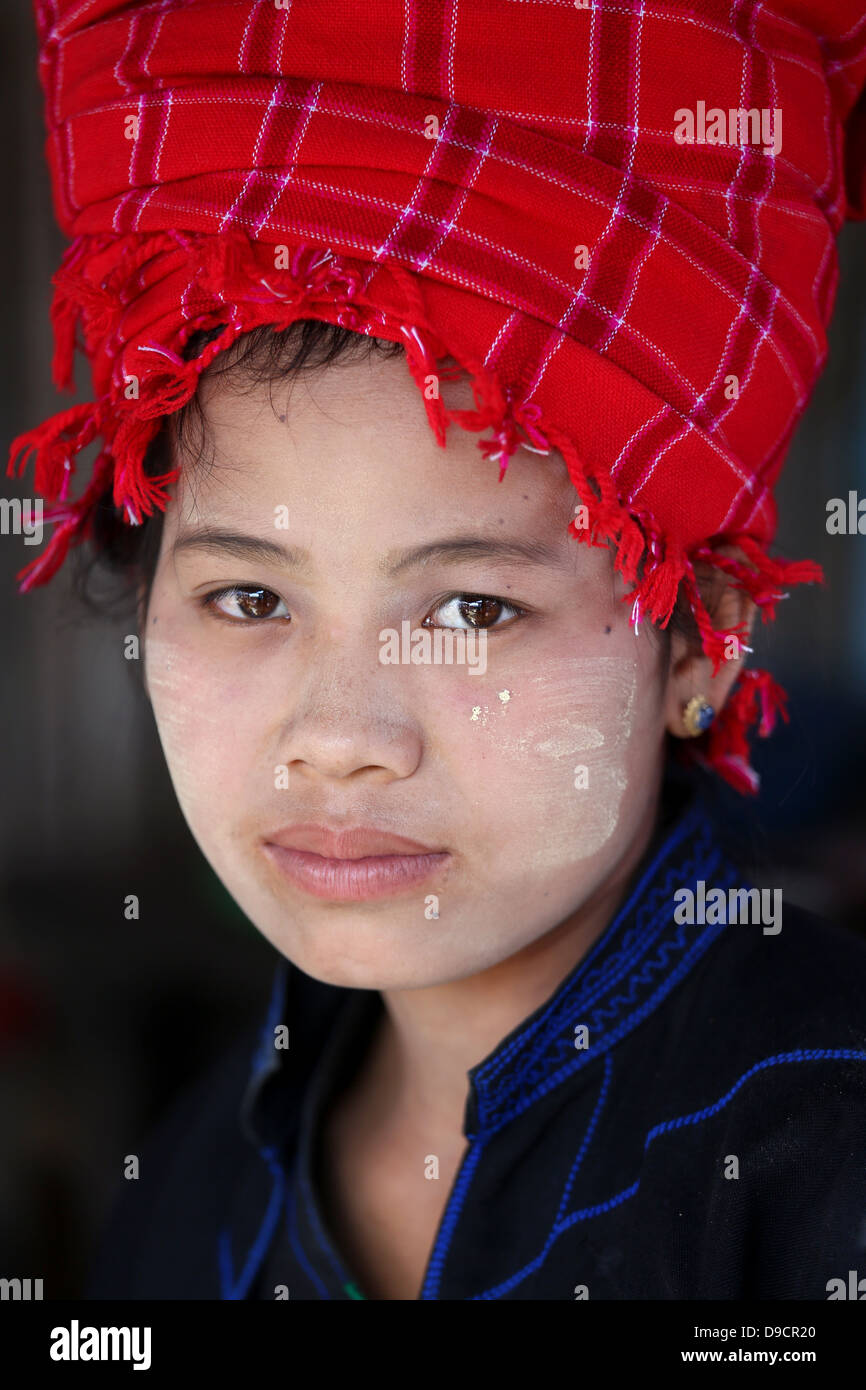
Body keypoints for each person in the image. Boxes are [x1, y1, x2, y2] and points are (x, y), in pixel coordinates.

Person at [9, 0, 866, 1300]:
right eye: (247, 597)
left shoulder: (825, 1156)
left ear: (699, 642)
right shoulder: (186, 1196)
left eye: (470, 609)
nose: (341, 736)